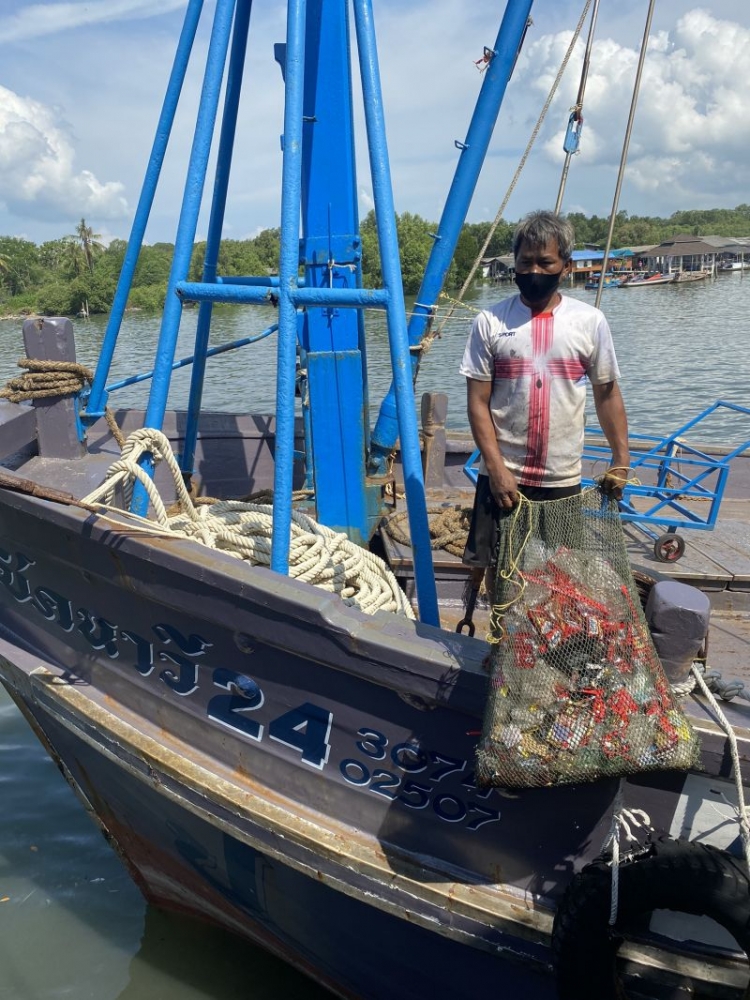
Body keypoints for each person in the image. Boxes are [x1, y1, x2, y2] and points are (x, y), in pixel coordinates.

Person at [460, 209, 630, 583]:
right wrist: (497, 470)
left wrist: (621, 458)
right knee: (491, 572)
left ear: (565, 266)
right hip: (503, 474)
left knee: (559, 576)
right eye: (525, 262)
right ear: (515, 264)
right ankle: (494, 622)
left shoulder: (590, 322)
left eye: (545, 262)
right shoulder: (490, 322)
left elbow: (606, 394)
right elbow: (477, 402)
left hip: (561, 477)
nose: (534, 271)